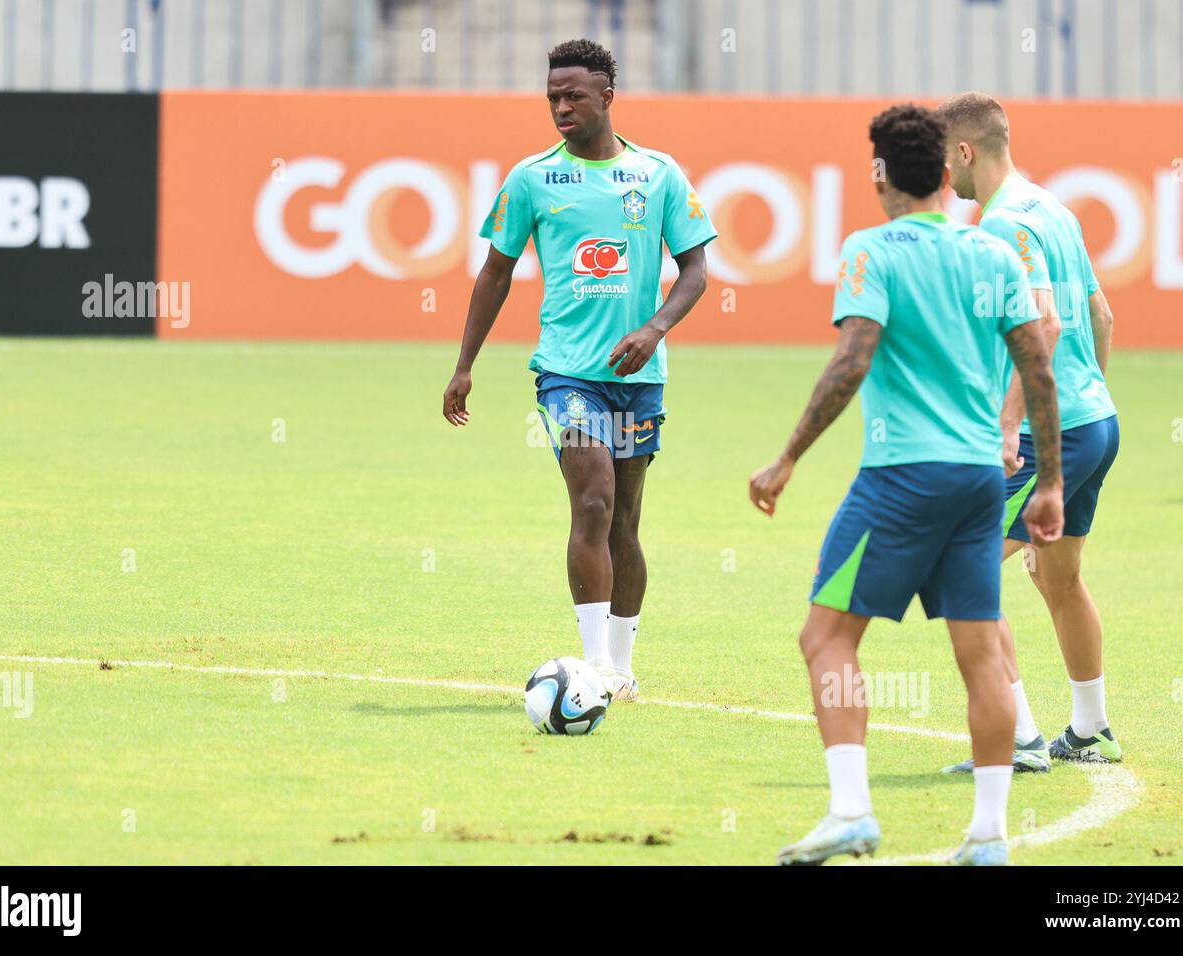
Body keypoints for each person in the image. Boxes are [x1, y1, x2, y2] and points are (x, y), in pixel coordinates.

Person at [748, 104, 1063, 866]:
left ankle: (852, 810)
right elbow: (1038, 366)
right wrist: (1049, 478)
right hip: (982, 479)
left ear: (881, 173)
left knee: (825, 638)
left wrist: (788, 456)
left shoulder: (873, 250)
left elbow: (853, 359)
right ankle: (989, 836)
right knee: (981, 651)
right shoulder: (993, 255)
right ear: (946, 171)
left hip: (902, 477)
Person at [442, 39, 716, 700]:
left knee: (625, 523)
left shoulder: (659, 175)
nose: (561, 107)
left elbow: (697, 271)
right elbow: (496, 272)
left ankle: (621, 669)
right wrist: (465, 364)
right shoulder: (533, 178)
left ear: (607, 97)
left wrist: (654, 328)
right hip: (567, 373)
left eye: (573, 96)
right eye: (552, 98)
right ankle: (591, 666)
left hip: (640, 379)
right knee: (592, 500)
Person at [937, 92, 1122, 771]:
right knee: (1057, 576)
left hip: (1055, 431)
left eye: (943, 158)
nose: (943, 178)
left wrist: (1014, 421)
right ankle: (1090, 729)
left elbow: (1045, 325)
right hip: (1095, 420)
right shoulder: (1053, 208)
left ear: (965, 151)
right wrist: (1088, 393)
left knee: (965, 570)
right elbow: (1102, 314)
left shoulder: (1004, 226)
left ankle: (1019, 743)